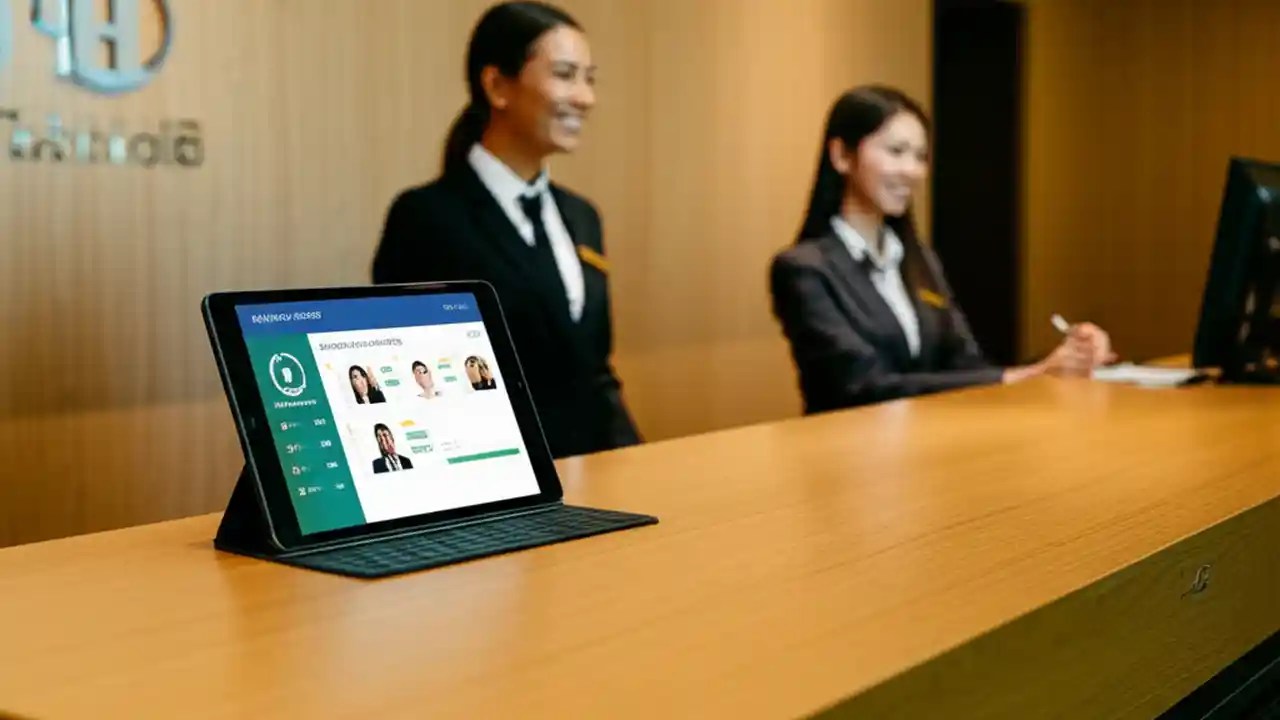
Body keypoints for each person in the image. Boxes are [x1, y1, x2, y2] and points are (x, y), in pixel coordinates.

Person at [371, 1, 640, 458]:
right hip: (490, 481)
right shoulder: (427, 217)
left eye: (588, 78)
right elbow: (415, 374)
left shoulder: (582, 216)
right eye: (565, 74)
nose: (585, 97)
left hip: (597, 475)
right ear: (496, 84)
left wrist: (636, 461)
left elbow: (595, 372)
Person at [770, 85, 1115, 414]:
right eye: (896, 152)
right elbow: (862, 386)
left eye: (920, 156)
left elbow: (966, 367)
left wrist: (1062, 360)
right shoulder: (803, 269)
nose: (913, 171)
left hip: (927, 449)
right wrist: (1027, 374)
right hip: (842, 457)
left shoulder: (918, 259)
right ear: (842, 155)